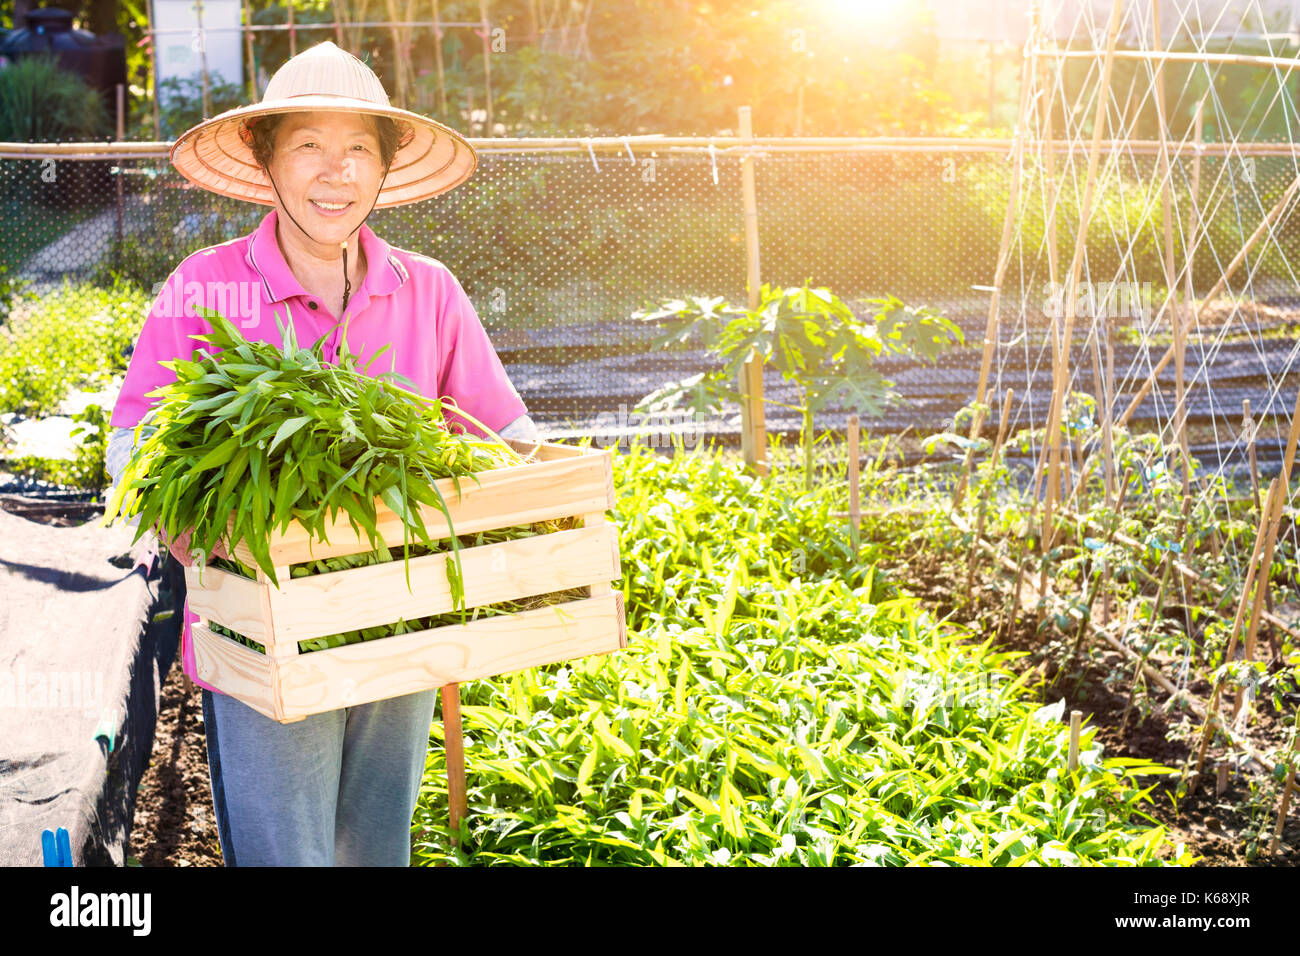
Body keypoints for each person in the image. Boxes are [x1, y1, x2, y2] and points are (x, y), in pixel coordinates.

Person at [105, 41, 538, 866]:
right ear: (268, 161)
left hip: (397, 623)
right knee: (288, 855)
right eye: (309, 146)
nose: (335, 174)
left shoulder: (430, 290)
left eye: (358, 152)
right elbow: (134, 450)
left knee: (374, 848)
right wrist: (218, 530)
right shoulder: (205, 287)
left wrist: (553, 490)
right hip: (262, 632)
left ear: (383, 170)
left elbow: (506, 437)